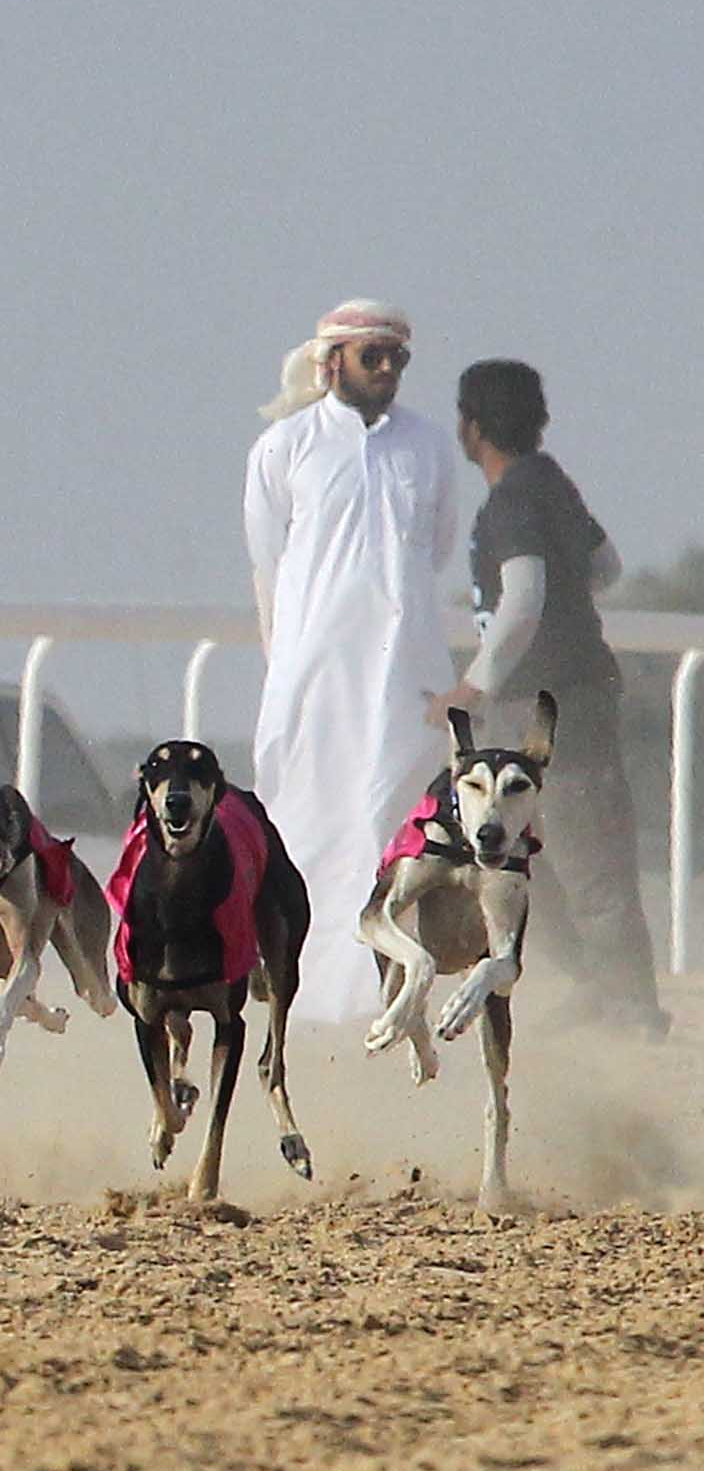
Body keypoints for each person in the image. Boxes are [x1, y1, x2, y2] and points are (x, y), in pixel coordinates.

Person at [245, 300, 460, 1026]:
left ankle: (378, 999)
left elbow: (434, 551)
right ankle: (293, 1000)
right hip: (313, 678)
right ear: (331, 361)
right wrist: (287, 667)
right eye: (376, 356)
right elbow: (267, 565)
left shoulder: (428, 446)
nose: (390, 369)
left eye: (399, 357)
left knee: (388, 830)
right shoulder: (285, 446)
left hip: (404, 676)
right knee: (302, 829)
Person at [449, 360, 663, 1039]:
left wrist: (472, 684)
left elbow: (522, 600)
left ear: (472, 427)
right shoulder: (552, 484)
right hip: (570, 693)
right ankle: (598, 994)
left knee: (587, 868)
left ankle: (630, 1013)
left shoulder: (512, 500)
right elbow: (606, 566)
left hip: (543, 707)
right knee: (546, 868)